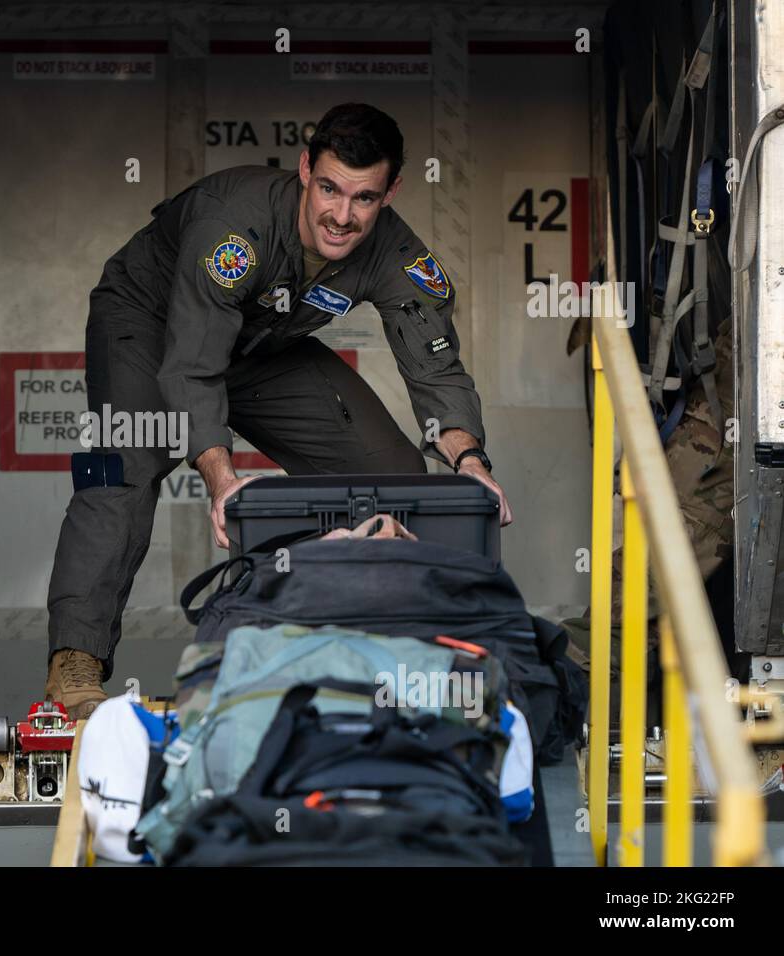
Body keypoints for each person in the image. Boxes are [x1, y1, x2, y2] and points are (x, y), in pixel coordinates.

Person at [44, 102, 511, 719]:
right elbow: (191, 366)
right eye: (329, 189)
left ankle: (362, 653)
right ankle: (75, 665)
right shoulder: (233, 227)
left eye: (364, 198)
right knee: (125, 463)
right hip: (150, 325)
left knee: (390, 469)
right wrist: (221, 479)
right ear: (304, 169)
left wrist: (470, 459)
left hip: (259, 346)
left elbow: (435, 366)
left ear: (391, 191)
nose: (342, 216)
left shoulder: (396, 253)